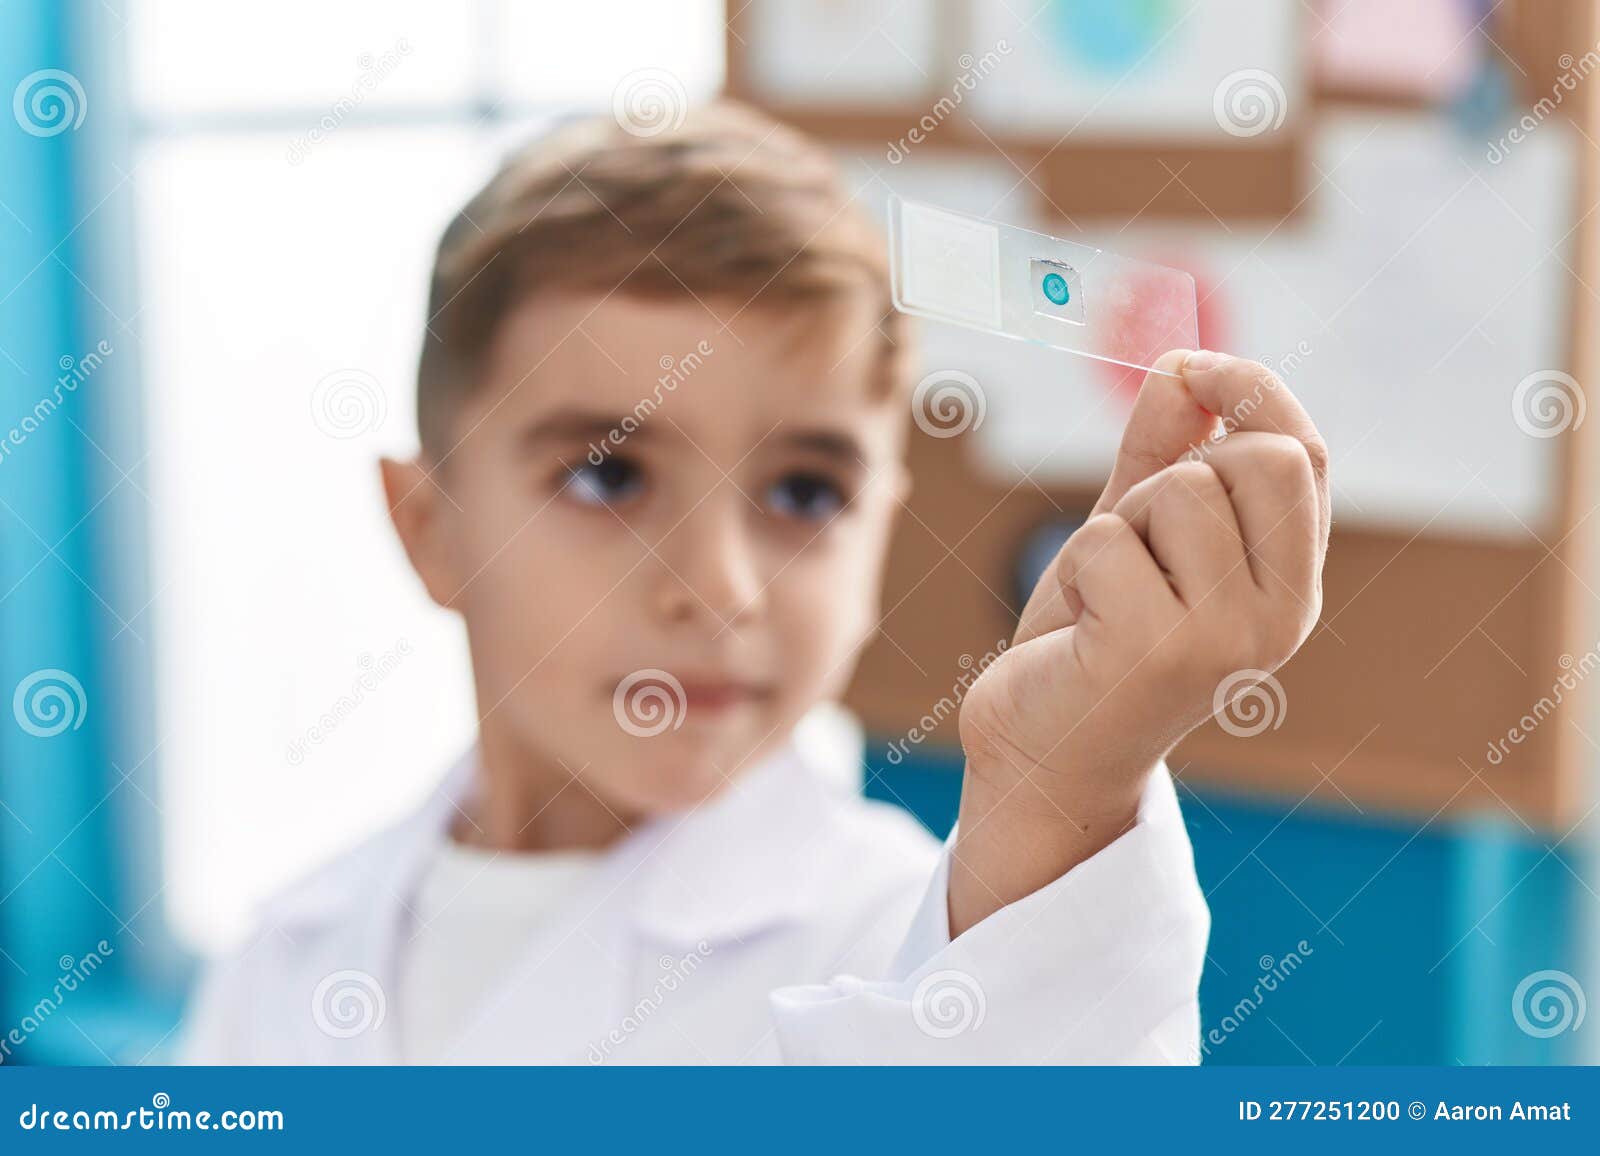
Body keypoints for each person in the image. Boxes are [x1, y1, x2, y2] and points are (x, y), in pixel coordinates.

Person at [183, 102, 1329, 1063]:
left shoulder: (916, 937)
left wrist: (1051, 792)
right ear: (430, 527)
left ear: (880, 528)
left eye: (802, 495)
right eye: (606, 473)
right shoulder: (282, 959)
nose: (721, 587)